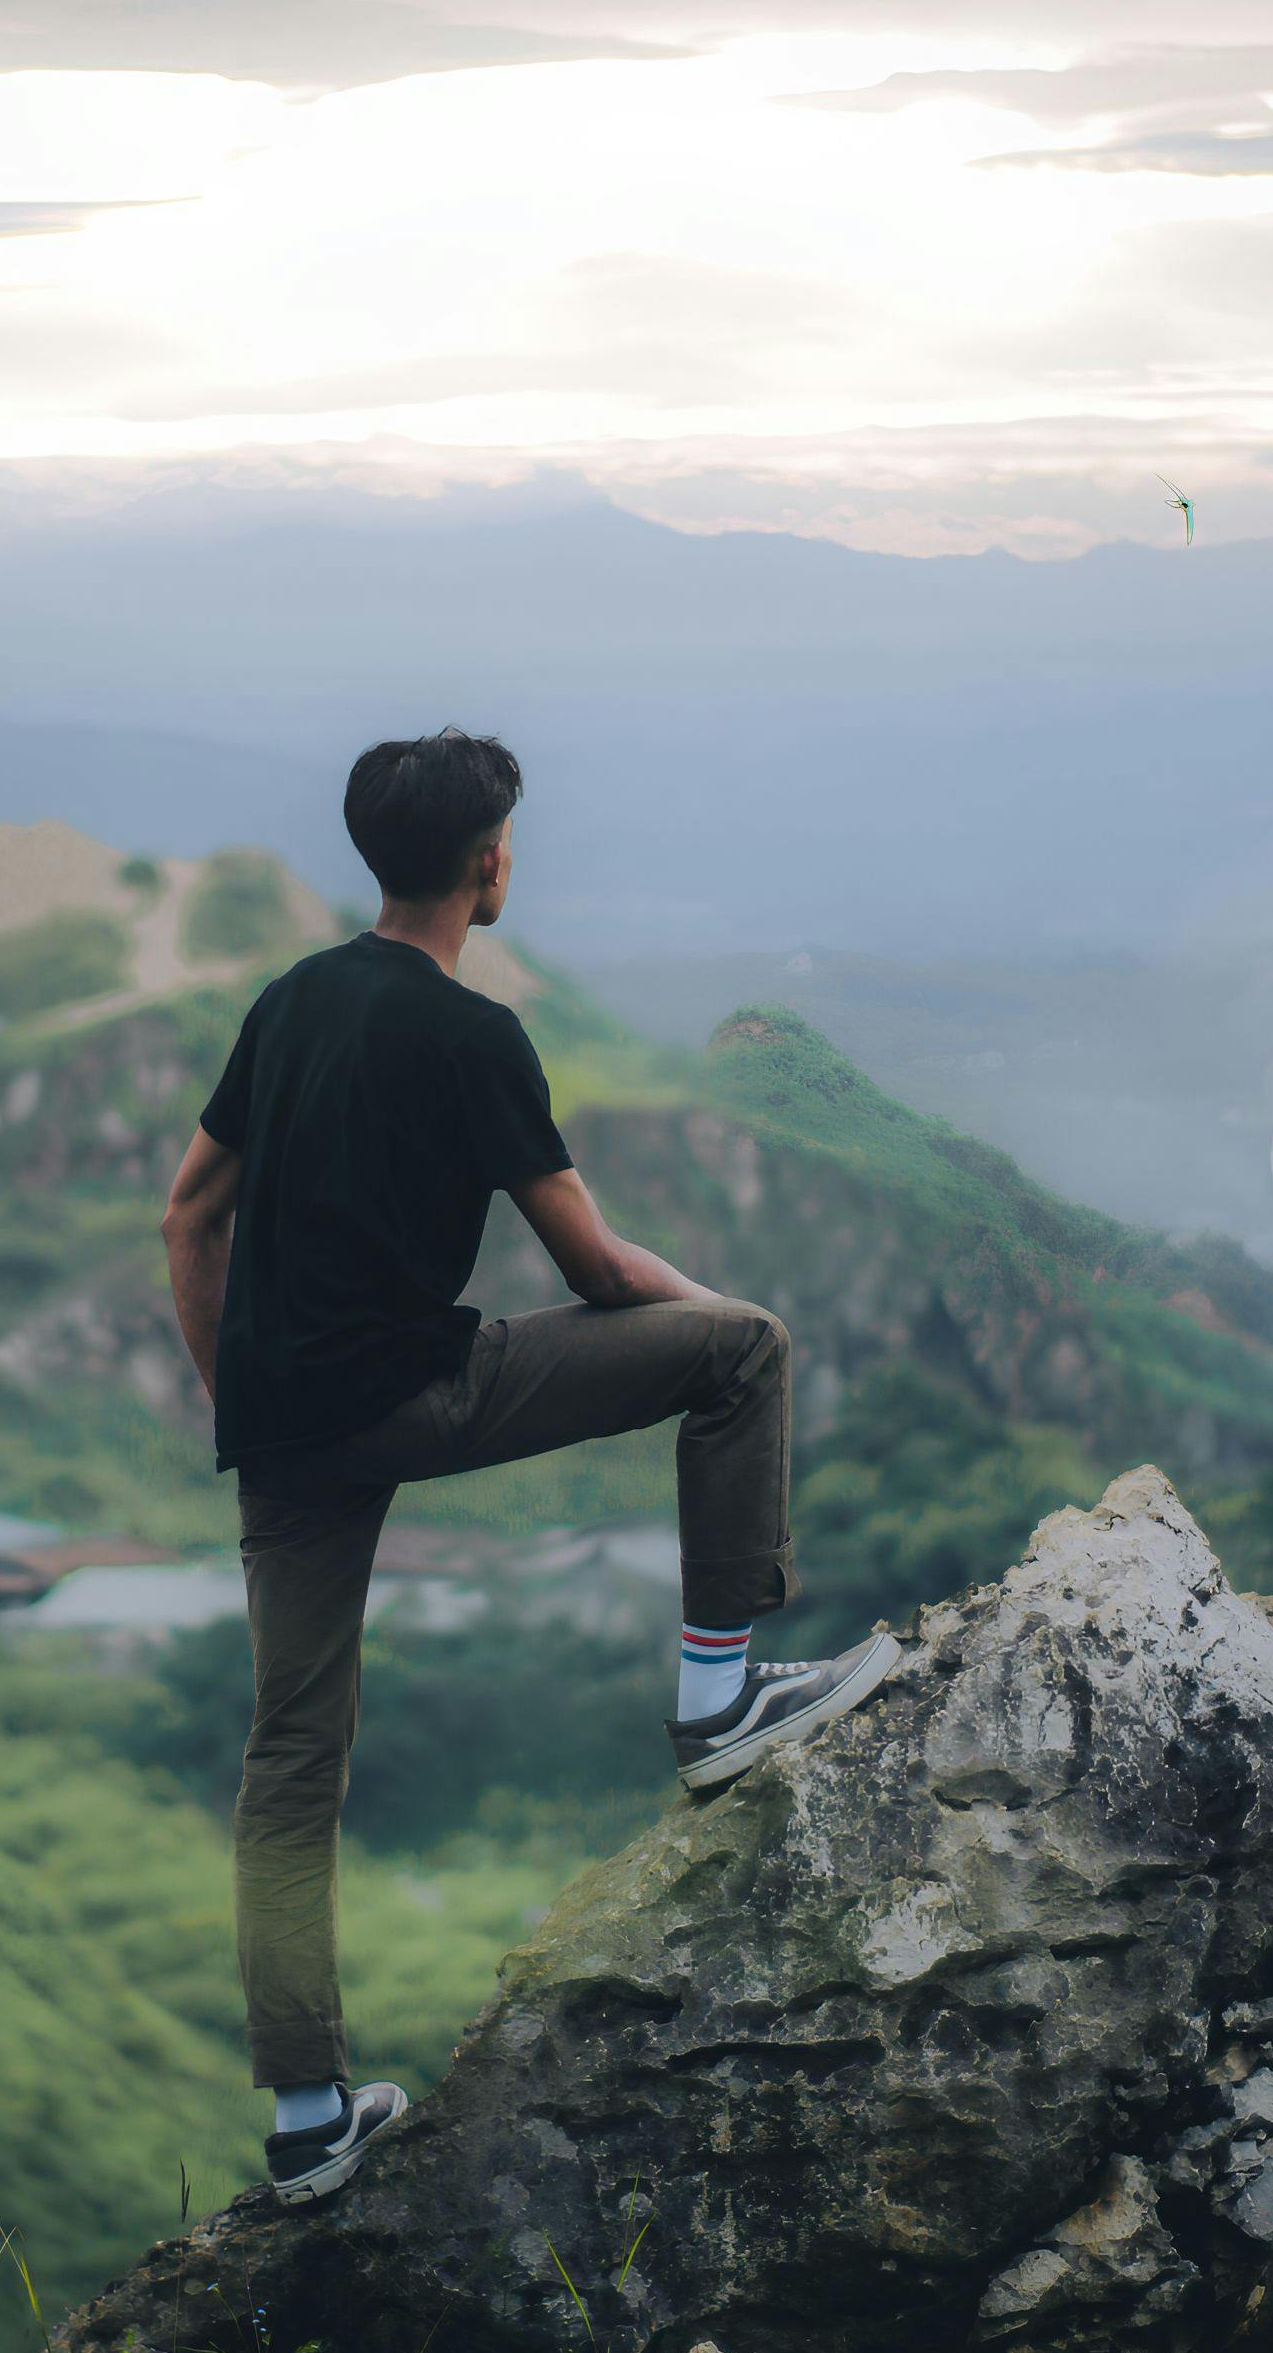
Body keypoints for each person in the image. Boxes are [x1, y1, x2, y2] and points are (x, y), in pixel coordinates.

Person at [160, 726, 898, 2208]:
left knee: (291, 1763)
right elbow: (592, 1266)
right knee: (738, 1351)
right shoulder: (473, 1035)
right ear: (487, 862)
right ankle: (718, 1699)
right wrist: (718, 1313)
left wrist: (236, 1400)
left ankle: (308, 2117)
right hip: (418, 1392)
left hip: (284, 1428)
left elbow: (189, 1219)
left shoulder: (291, 1000)